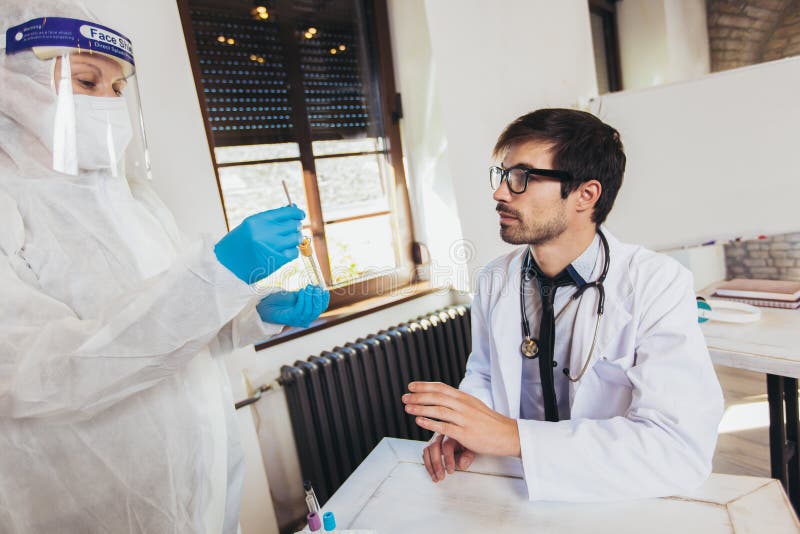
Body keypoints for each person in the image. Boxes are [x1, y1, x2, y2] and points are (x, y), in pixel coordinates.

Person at [0, 3, 328, 533]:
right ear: (12, 82)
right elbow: (46, 372)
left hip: (204, 490)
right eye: (87, 80)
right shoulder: (8, 208)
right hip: (89, 504)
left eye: (116, 88)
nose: (108, 103)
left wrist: (253, 315)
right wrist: (216, 274)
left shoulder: (136, 205)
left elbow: (174, 333)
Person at [402, 108, 724, 501]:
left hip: (616, 493)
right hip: (515, 487)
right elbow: (485, 374)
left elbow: (677, 449)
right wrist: (465, 425)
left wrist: (512, 436)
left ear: (585, 195)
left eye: (521, 177)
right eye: (502, 175)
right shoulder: (494, 279)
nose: (500, 193)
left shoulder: (657, 284)